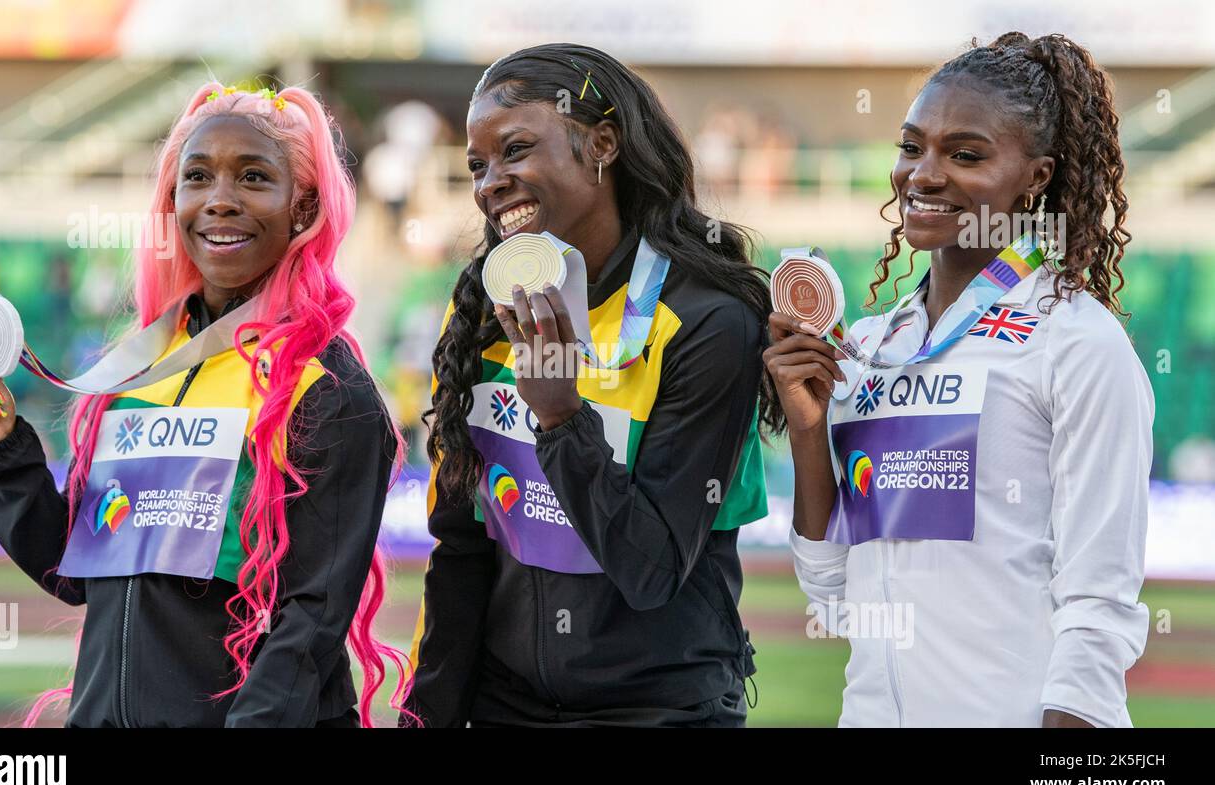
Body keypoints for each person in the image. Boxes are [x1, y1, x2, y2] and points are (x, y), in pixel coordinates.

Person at [0, 83, 409, 727]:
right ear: (173, 204)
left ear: (302, 209)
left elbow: (311, 619)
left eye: (252, 177)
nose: (220, 200)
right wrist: (2, 453)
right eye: (197, 178)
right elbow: (76, 572)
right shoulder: (140, 370)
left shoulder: (324, 385)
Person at [770, 33, 1153, 727]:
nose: (923, 174)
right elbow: (832, 593)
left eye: (965, 154)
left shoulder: (1076, 341)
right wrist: (807, 430)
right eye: (912, 146)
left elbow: (1099, 603)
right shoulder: (869, 347)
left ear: (1037, 176)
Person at [404, 43, 785, 727]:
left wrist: (561, 419)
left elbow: (651, 570)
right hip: (503, 704)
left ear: (603, 144)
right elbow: (462, 548)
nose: (491, 181)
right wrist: (424, 713)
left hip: (658, 710)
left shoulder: (707, 322)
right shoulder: (483, 315)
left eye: (515, 150)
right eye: (477, 164)